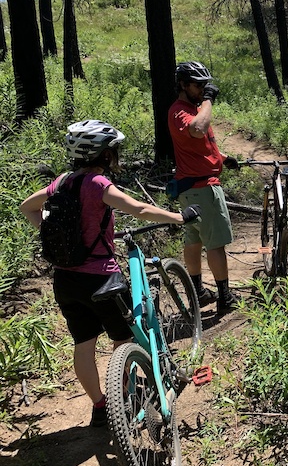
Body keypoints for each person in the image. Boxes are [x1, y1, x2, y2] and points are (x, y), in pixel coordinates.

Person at [20, 119, 201, 428]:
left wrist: (53, 235)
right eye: (113, 151)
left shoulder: (62, 181)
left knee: (83, 344)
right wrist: (178, 217)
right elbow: (138, 209)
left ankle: (101, 405)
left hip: (65, 280)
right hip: (101, 277)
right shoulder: (98, 184)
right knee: (124, 337)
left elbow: (28, 207)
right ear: (104, 155)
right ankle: (124, 396)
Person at [168, 61, 239, 315]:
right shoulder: (180, 111)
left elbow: (197, 147)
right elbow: (198, 129)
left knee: (194, 240)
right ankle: (225, 297)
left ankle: (198, 291)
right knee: (216, 244)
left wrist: (222, 158)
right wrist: (208, 101)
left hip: (191, 188)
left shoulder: (189, 111)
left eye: (204, 86)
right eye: (198, 85)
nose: (202, 90)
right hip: (203, 189)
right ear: (184, 85)